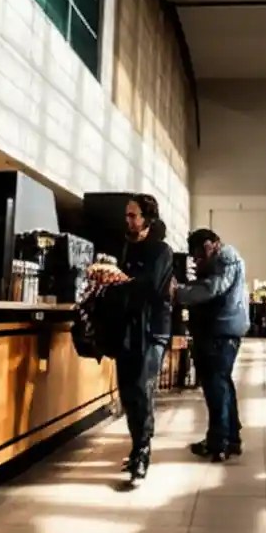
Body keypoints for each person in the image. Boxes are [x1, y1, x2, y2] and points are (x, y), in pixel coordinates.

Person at [110, 194, 174, 482]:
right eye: (127, 215)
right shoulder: (124, 249)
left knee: (141, 389)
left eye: (133, 215)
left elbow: (150, 285)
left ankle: (143, 452)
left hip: (152, 330)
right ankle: (137, 447)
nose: (128, 220)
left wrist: (120, 282)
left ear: (147, 219)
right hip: (126, 330)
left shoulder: (161, 251)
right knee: (127, 391)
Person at [172, 229, 250, 462]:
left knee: (216, 387)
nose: (197, 260)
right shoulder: (224, 259)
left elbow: (212, 288)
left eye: (198, 254)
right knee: (223, 385)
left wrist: (178, 292)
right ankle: (230, 438)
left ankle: (219, 442)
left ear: (210, 244)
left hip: (219, 331)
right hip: (221, 330)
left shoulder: (226, 258)